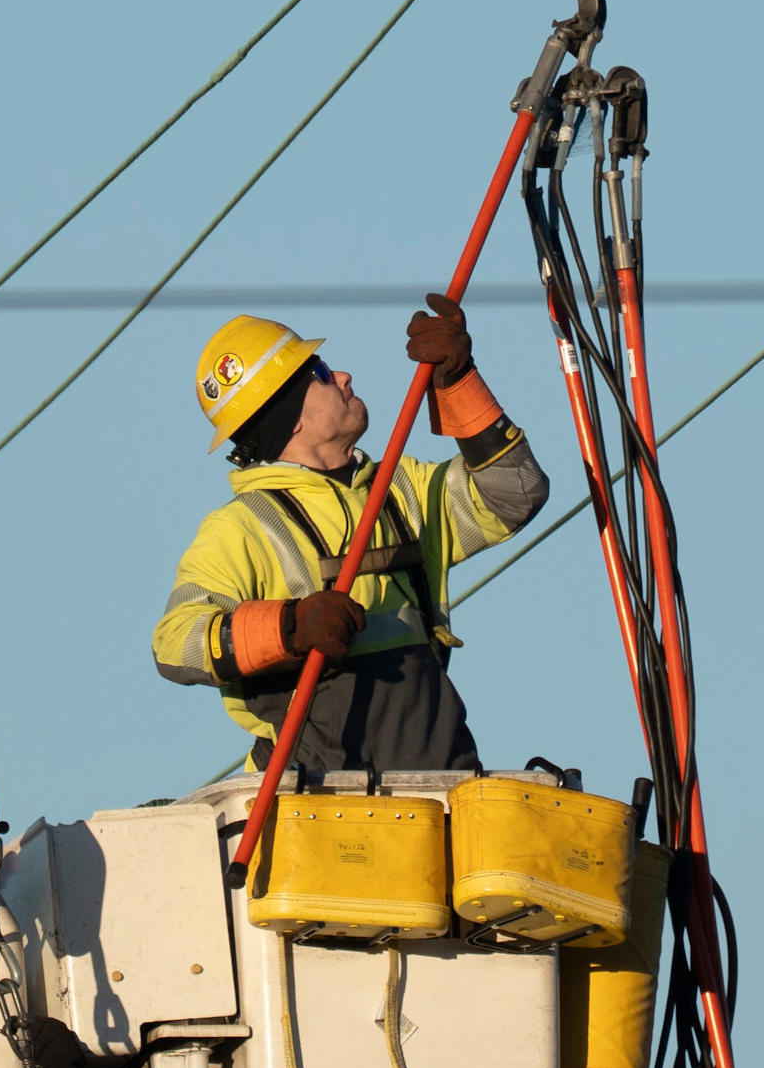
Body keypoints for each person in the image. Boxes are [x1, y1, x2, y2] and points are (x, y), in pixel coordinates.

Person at [152, 298, 550, 776]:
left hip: (441, 784)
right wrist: (289, 626)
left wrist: (460, 383)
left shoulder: (402, 490)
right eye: (319, 371)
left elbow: (516, 493)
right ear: (289, 415)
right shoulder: (241, 527)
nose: (343, 376)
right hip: (316, 808)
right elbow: (175, 645)